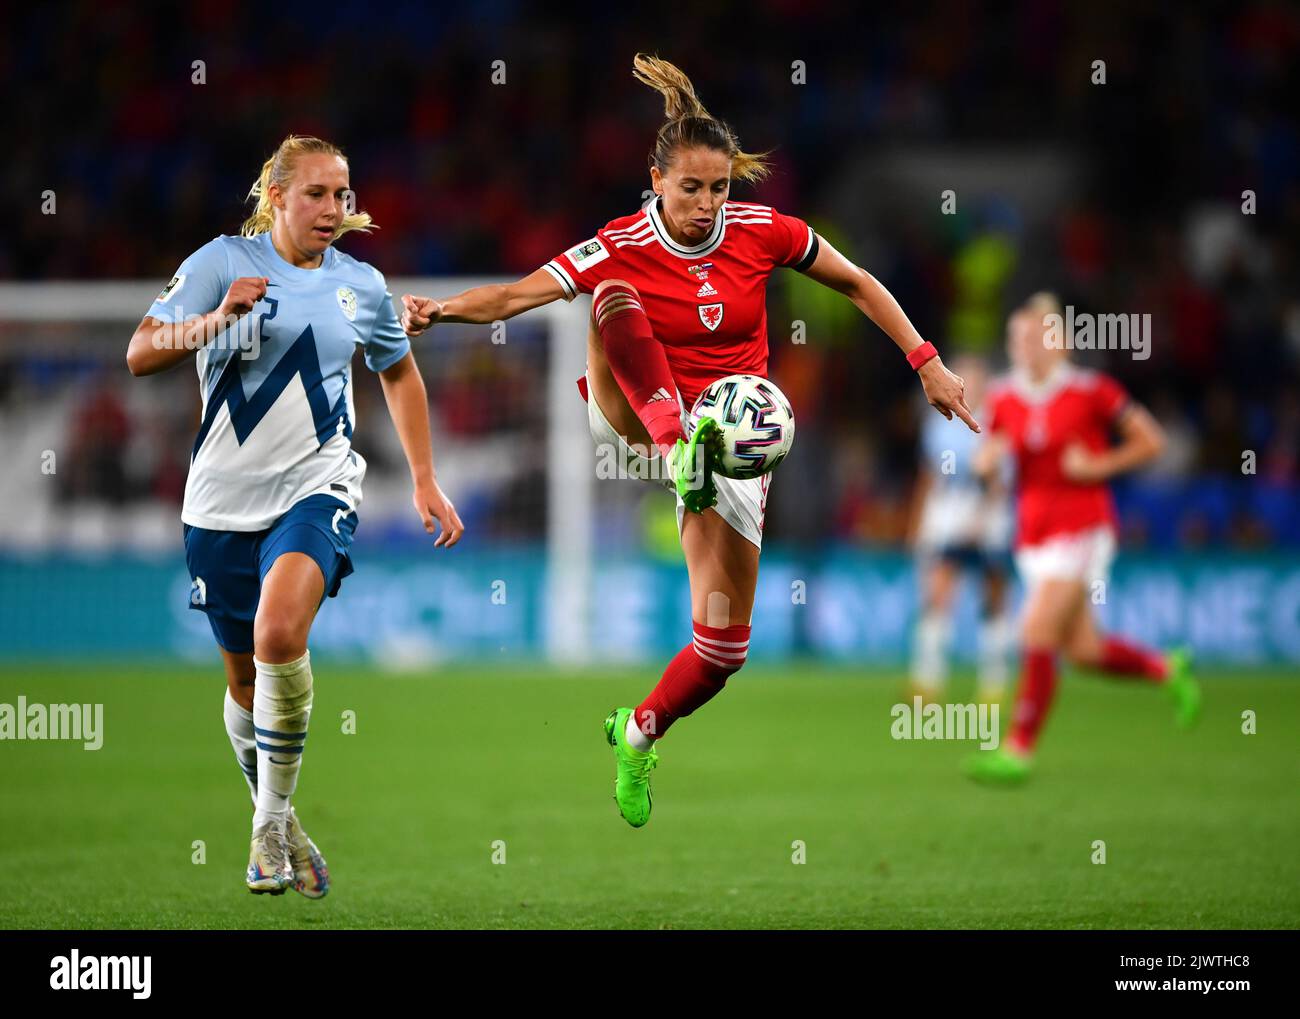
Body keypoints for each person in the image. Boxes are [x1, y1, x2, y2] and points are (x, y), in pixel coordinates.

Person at [401, 55, 975, 827]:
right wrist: (440, 312)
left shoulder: (761, 232)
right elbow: (515, 293)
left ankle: (636, 733)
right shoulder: (621, 242)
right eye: (691, 188)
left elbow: (857, 281)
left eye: (720, 188)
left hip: (736, 438)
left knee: (722, 651)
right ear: (656, 179)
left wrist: (926, 361)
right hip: (641, 412)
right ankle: (682, 443)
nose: (707, 205)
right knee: (609, 290)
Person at [126, 135, 464, 892]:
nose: (333, 209)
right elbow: (142, 351)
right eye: (315, 194)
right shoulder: (221, 262)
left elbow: (398, 370)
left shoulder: (362, 285)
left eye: (342, 194)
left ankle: (263, 830)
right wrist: (213, 319)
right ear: (276, 196)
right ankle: (278, 812)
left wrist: (424, 478)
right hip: (218, 503)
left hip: (319, 485)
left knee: (279, 632)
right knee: (245, 684)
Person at [965, 294, 1199, 784]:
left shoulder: (1094, 391)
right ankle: (1165, 668)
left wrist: (1097, 466)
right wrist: (986, 463)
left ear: (1061, 342)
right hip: (1033, 535)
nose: (1022, 346)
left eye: (1033, 337)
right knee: (1083, 651)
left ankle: (1017, 750)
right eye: (1016, 338)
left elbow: (1152, 441)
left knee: (1034, 630)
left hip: (1083, 527)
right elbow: (993, 455)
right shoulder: (1004, 396)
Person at [908, 354, 1014, 704]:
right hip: (949, 508)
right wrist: (919, 521)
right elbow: (929, 474)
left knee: (993, 595)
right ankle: (929, 678)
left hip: (989, 509)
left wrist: (982, 518)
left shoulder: (1000, 420)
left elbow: (1001, 477)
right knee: (937, 591)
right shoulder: (939, 421)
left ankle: (994, 682)